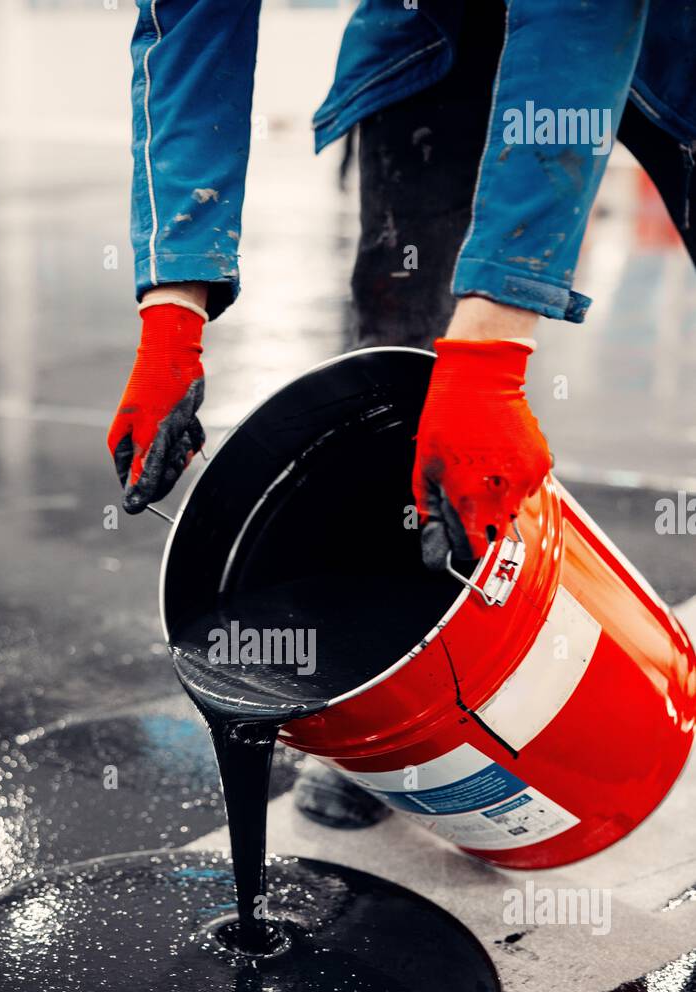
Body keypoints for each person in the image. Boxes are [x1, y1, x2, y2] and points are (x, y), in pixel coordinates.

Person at [108, 0, 696, 827]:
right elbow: (190, 28)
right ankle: (402, 693)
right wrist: (171, 315)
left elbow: (579, 13)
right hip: (426, 33)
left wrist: (491, 353)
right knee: (402, 371)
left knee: (465, 389)